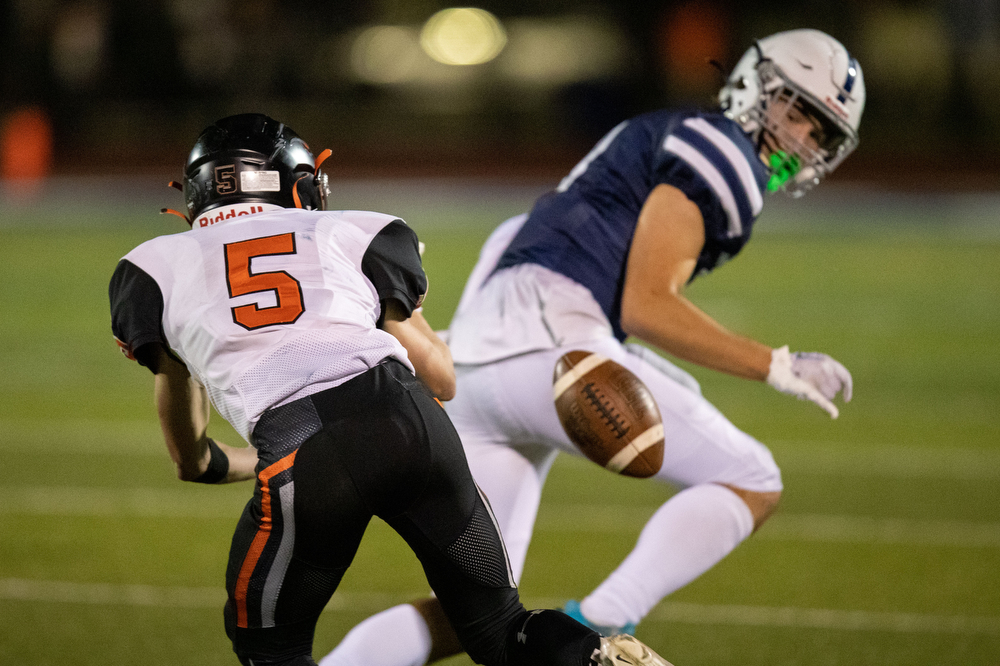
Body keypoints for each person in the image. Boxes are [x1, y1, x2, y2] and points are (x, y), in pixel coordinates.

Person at [320, 28, 863, 666]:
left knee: (475, 615)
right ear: (756, 84)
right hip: (552, 347)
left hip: (478, 365)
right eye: (796, 111)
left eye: (819, 133)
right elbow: (647, 303)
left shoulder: (656, 138)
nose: (801, 140)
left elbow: (514, 239)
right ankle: (599, 628)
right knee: (752, 479)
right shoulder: (723, 151)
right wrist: (775, 365)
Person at [108, 113, 674, 666]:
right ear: (296, 182)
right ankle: (598, 657)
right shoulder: (356, 230)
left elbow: (188, 448)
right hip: (414, 425)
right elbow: (442, 379)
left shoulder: (151, 267)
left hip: (305, 455)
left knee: (270, 648)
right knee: (503, 631)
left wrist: (221, 462)